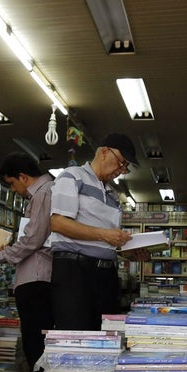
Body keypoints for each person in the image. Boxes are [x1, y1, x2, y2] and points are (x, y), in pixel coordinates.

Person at [0, 153, 55, 372]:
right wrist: (9, 250)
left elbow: (33, 239)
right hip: (36, 278)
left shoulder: (43, 193)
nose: (13, 189)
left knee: (36, 346)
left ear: (23, 177)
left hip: (36, 280)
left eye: (11, 183)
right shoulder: (44, 193)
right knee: (36, 345)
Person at [49, 133, 140, 330]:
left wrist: (131, 251)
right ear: (105, 152)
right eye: (121, 163)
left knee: (106, 335)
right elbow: (58, 223)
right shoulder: (72, 176)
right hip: (75, 271)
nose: (121, 170)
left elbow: (107, 240)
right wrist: (105, 234)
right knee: (76, 335)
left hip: (106, 274)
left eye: (125, 167)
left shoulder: (113, 194)